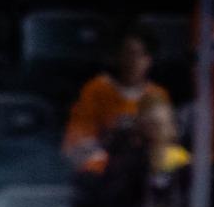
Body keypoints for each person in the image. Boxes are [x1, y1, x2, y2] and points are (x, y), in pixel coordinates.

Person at [62, 27, 169, 174]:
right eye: (128, 53)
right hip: (104, 174)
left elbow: (164, 141)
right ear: (117, 56)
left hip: (144, 174)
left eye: (140, 54)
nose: (133, 61)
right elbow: (77, 142)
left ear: (149, 59)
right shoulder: (97, 89)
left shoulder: (157, 94)